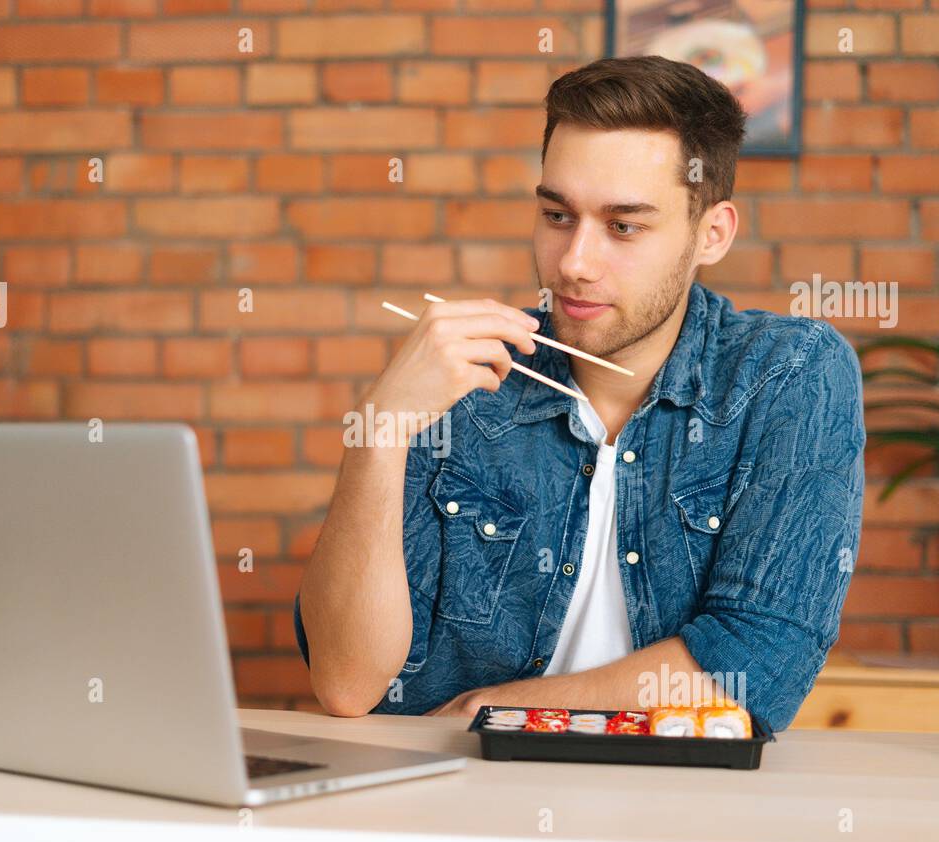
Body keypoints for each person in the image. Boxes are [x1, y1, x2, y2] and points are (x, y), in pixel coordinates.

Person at [293, 56, 865, 733]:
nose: (574, 263)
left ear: (712, 233)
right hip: (454, 805)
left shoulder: (789, 374)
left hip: (680, 811)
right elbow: (347, 682)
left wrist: (494, 709)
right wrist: (380, 430)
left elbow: (757, 661)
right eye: (557, 214)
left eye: (623, 226)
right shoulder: (462, 380)